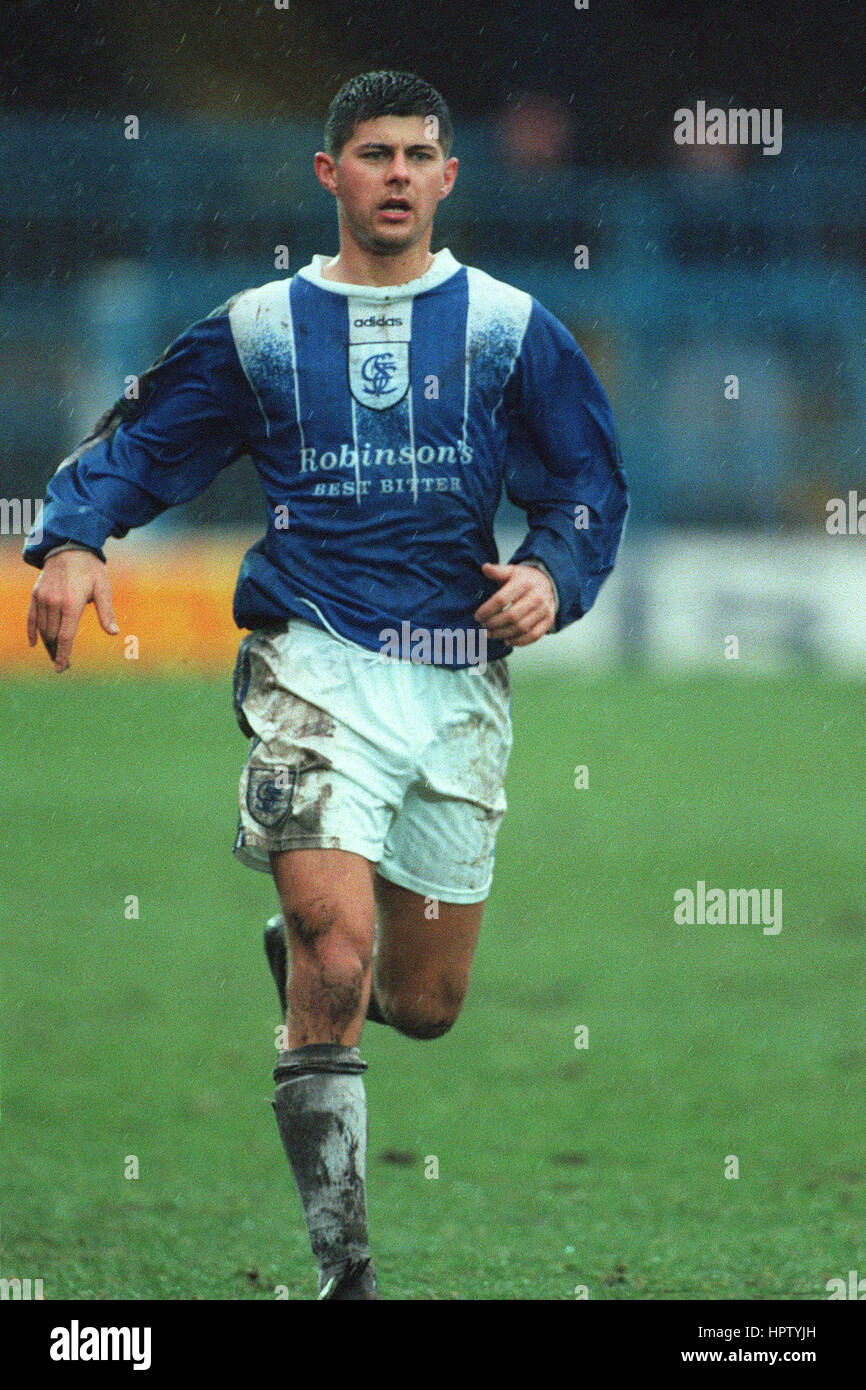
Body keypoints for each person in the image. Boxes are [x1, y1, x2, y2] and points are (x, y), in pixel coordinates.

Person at [23, 70, 628, 1300]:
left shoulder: (511, 328)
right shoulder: (259, 329)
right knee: (337, 952)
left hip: (456, 682)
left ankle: (303, 952)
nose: (395, 173)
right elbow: (145, 439)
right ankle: (344, 1273)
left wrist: (552, 574)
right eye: (371, 153)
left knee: (424, 1000)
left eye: (417, 154)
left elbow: (586, 486)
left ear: (448, 178)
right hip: (309, 662)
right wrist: (76, 538)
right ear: (329, 175)